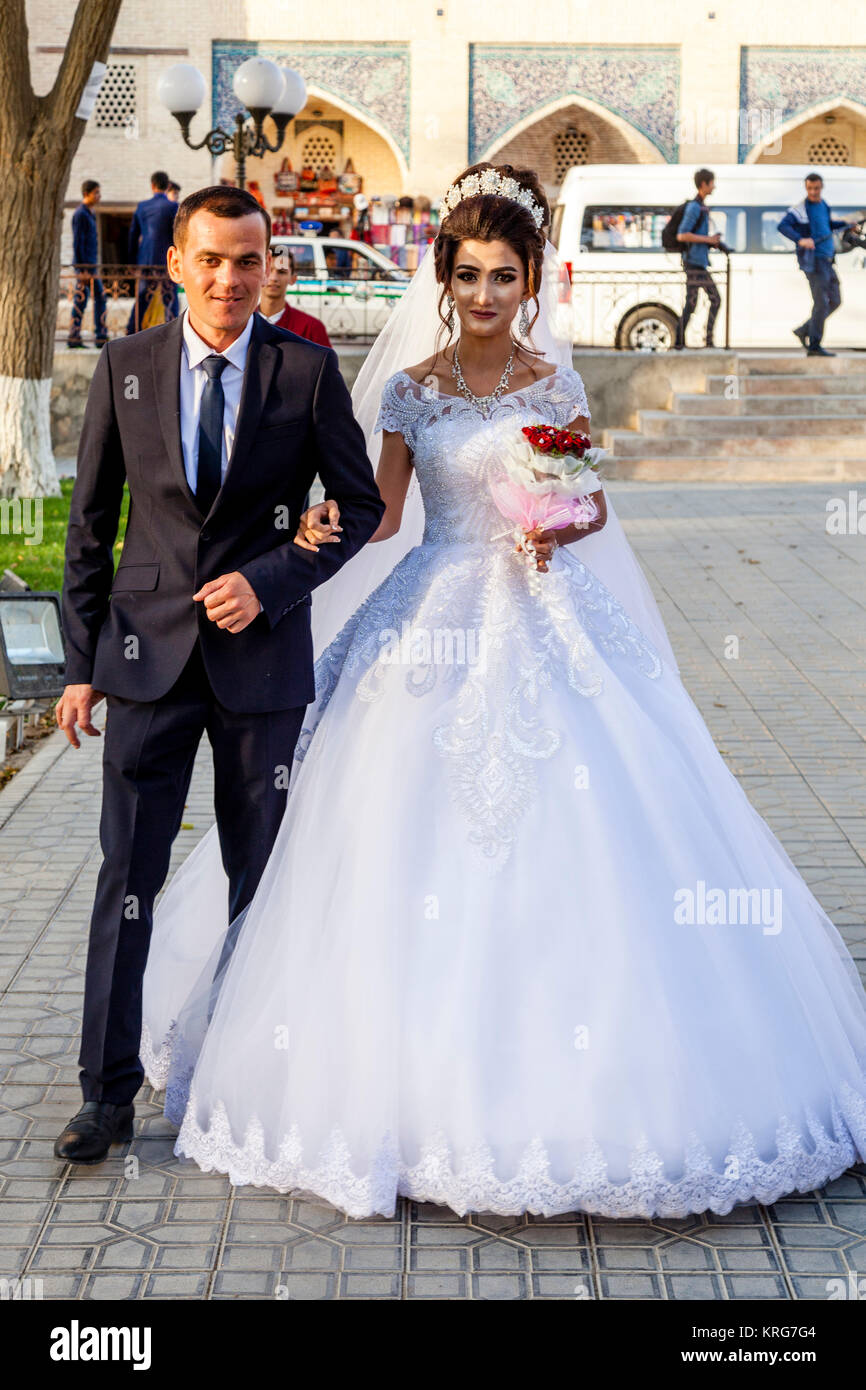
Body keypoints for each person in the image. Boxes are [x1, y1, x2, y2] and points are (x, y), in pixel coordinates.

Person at [136, 162, 866, 1221]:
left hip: (540, 611)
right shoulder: (410, 390)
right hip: (431, 612)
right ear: (443, 279)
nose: (484, 295)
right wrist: (294, 542)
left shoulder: (552, 385)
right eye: (468, 276)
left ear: (530, 282)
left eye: (503, 277)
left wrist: (550, 521)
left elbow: (589, 512)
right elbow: (380, 517)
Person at [52, 184, 384, 1165]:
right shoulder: (126, 366)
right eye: (210, 260)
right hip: (144, 666)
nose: (230, 279)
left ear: (268, 262)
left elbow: (356, 507)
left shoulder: (307, 373)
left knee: (263, 881)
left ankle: (259, 1081)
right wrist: (81, 667)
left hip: (262, 671)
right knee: (129, 880)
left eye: (248, 260)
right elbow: (86, 529)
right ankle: (104, 1096)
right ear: (175, 265)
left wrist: (275, 578)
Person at [778, 173, 855, 357]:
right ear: (806, 188)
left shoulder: (824, 205)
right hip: (814, 262)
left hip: (828, 260)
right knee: (820, 302)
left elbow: (827, 225)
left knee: (835, 300)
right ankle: (814, 346)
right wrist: (801, 240)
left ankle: (804, 330)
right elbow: (783, 226)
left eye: (816, 188)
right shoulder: (801, 209)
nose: (813, 192)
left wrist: (846, 224)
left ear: (821, 187)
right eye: (809, 188)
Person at [126, 170, 180, 333]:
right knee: (170, 298)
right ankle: (175, 332)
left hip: (146, 260)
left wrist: (132, 261)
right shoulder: (173, 207)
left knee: (142, 298)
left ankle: (131, 331)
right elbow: (178, 234)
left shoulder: (142, 207)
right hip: (166, 262)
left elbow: (133, 236)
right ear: (168, 185)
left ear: (152, 186)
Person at [674, 169, 722, 350]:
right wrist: (708, 240)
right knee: (715, 299)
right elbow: (682, 235)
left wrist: (711, 242)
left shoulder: (701, 206)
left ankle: (679, 342)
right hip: (694, 263)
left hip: (698, 261)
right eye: (712, 183)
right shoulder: (694, 207)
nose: (714, 187)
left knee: (692, 303)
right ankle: (706, 340)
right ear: (704, 184)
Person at [258, 245, 331, 346]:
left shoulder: (311, 328)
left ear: (293, 279)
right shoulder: (241, 324)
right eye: (269, 271)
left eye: (282, 272)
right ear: (258, 275)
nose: (274, 278)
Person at [67, 180, 108, 349]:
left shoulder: (89, 213)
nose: (99, 196)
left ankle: (97, 335)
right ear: (86, 194)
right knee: (83, 300)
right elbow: (78, 243)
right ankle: (79, 336)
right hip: (85, 269)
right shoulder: (80, 214)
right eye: (96, 193)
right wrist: (81, 270)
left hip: (91, 267)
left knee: (93, 299)